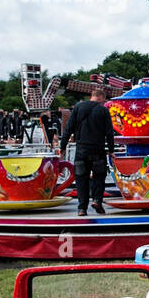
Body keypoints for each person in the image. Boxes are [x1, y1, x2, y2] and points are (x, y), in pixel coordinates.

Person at [60, 87, 115, 216]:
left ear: (92, 96)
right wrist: (111, 150)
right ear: (101, 97)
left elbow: (68, 129)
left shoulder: (78, 108)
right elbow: (109, 133)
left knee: (81, 179)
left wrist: (62, 147)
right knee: (99, 177)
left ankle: (82, 208)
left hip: (81, 150)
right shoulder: (103, 110)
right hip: (98, 149)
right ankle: (97, 200)